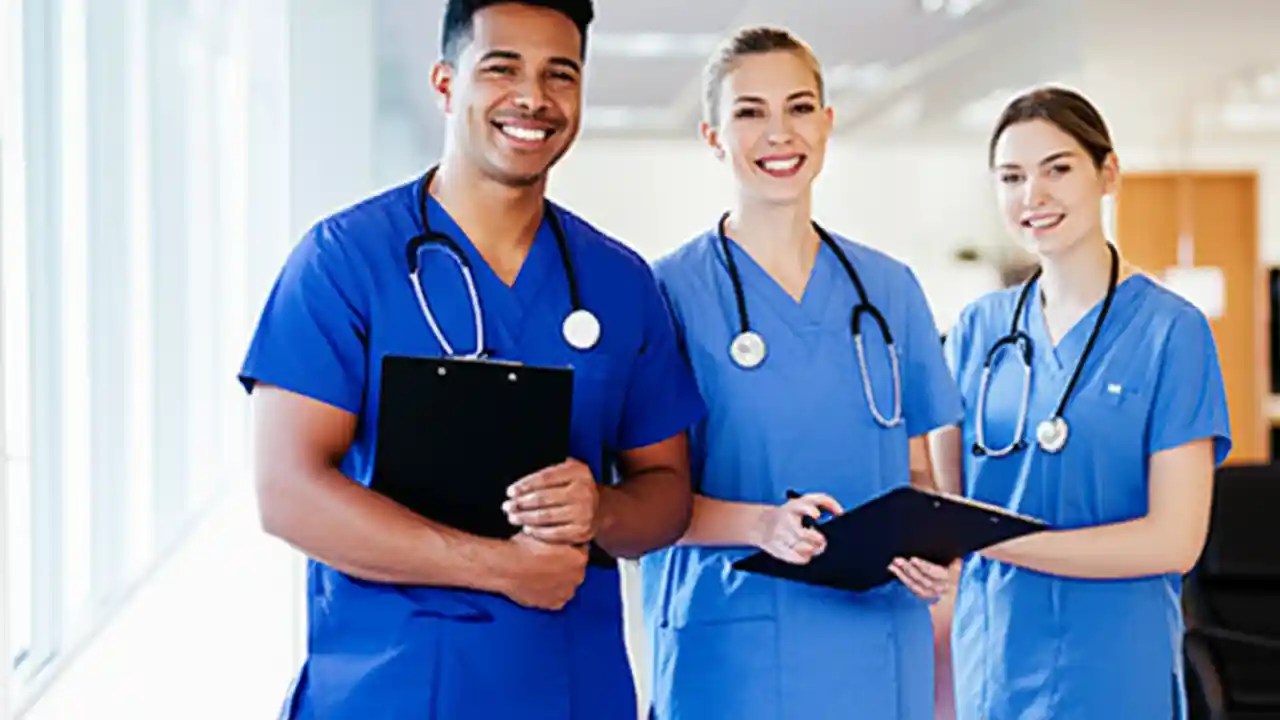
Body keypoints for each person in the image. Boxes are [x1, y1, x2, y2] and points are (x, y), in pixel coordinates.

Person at [238, 1, 705, 717]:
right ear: (445, 83)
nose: (533, 98)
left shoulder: (618, 281)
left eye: (561, 75)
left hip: (568, 685)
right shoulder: (345, 261)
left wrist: (601, 507)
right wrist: (504, 569)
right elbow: (287, 491)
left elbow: (666, 494)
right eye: (502, 68)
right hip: (390, 686)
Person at [638, 26, 965, 720]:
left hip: (877, 645)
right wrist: (761, 525)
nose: (779, 133)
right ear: (712, 136)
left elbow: (917, 476)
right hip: (729, 650)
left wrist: (934, 553)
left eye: (798, 107)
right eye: (750, 112)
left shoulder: (890, 290)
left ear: (827, 123)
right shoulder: (666, 294)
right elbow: (639, 500)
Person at [930, 85, 1232, 719]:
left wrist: (1001, 545)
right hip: (997, 662)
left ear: (1108, 174)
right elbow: (946, 501)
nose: (1032, 196)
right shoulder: (977, 331)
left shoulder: (1170, 332)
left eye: (1057, 169)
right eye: (1011, 177)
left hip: (1117, 666)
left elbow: (1173, 542)